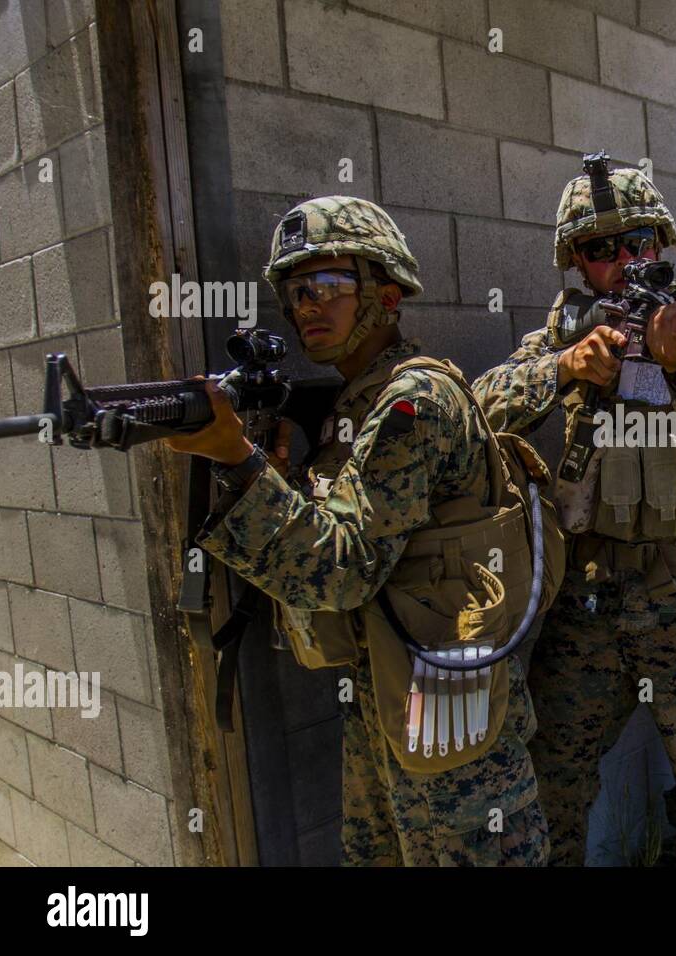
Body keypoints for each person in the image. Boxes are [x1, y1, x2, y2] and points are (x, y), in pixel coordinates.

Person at [167, 196, 550, 866]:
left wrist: (236, 459)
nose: (306, 305)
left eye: (328, 286)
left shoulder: (411, 406)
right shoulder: (360, 406)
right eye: (294, 291)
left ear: (387, 293)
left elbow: (341, 570)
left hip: (449, 725)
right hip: (390, 696)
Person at [472, 157, 676, 866]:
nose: (625, 261)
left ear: (662, 243)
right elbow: (477, 409)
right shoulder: (570, 330)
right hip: (590, 599)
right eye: (601, 249)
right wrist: (564, 368)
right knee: (548, 786)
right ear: (577, 262)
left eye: (638, 241)